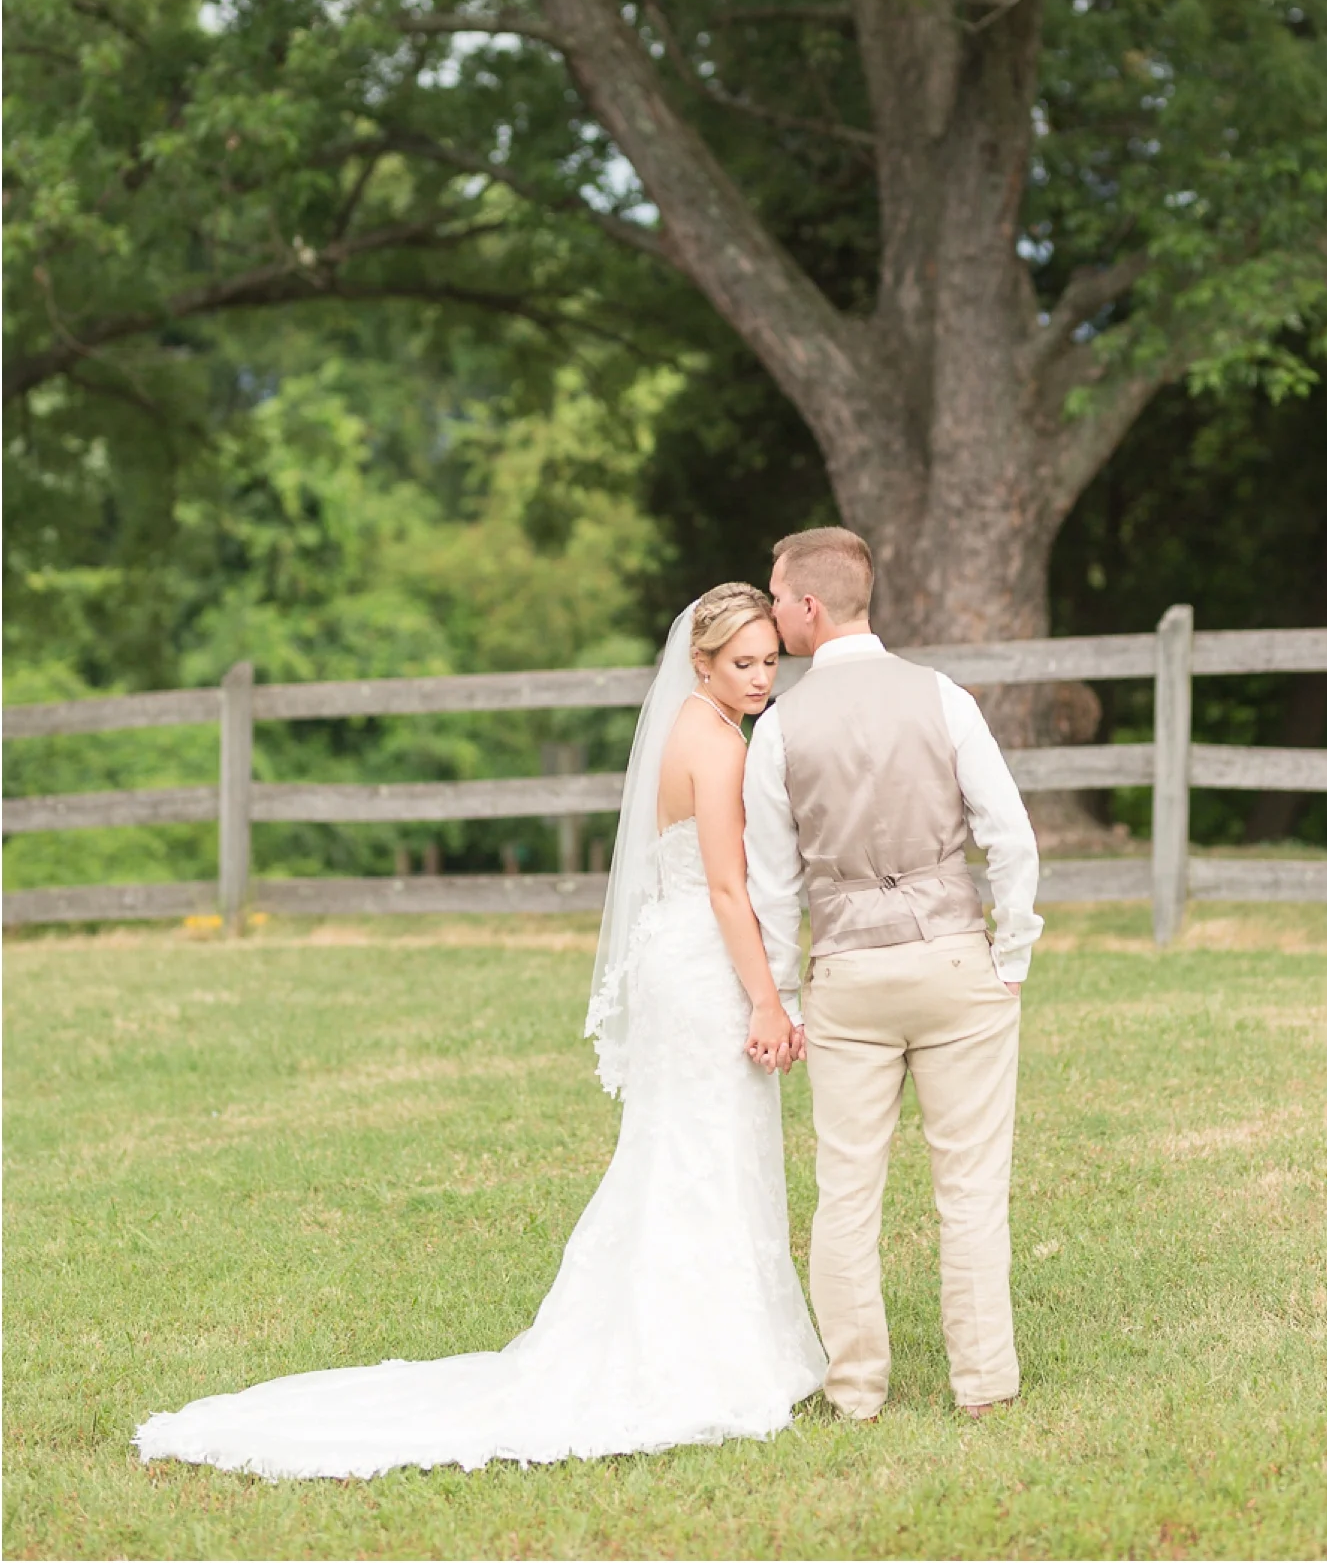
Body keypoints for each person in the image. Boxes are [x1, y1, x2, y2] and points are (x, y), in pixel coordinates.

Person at [134, 585, 826, 1479]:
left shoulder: (681, 728)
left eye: (772, 661)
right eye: (745, 663)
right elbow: (730, 890)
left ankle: (706, 1336)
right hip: (704, 965)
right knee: (706, 1148)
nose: (763, 677)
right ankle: (704, 1356)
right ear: (702, 665)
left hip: (673, 960)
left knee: (678, 1147)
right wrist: (768, 999)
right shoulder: (722, 745)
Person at [744, 526, 1043, 1424]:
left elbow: (772, 886)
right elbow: (1012, 836)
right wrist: (1012, 953)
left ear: (809, 607)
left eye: (774, 592)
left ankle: (857, 1389)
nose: (768, 608)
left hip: (846, 975)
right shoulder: (943, 696)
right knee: (971, 1189)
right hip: (956, 962)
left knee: (847, 1190)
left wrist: (787, 998)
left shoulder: (780, 727)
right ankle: (984, 1384)